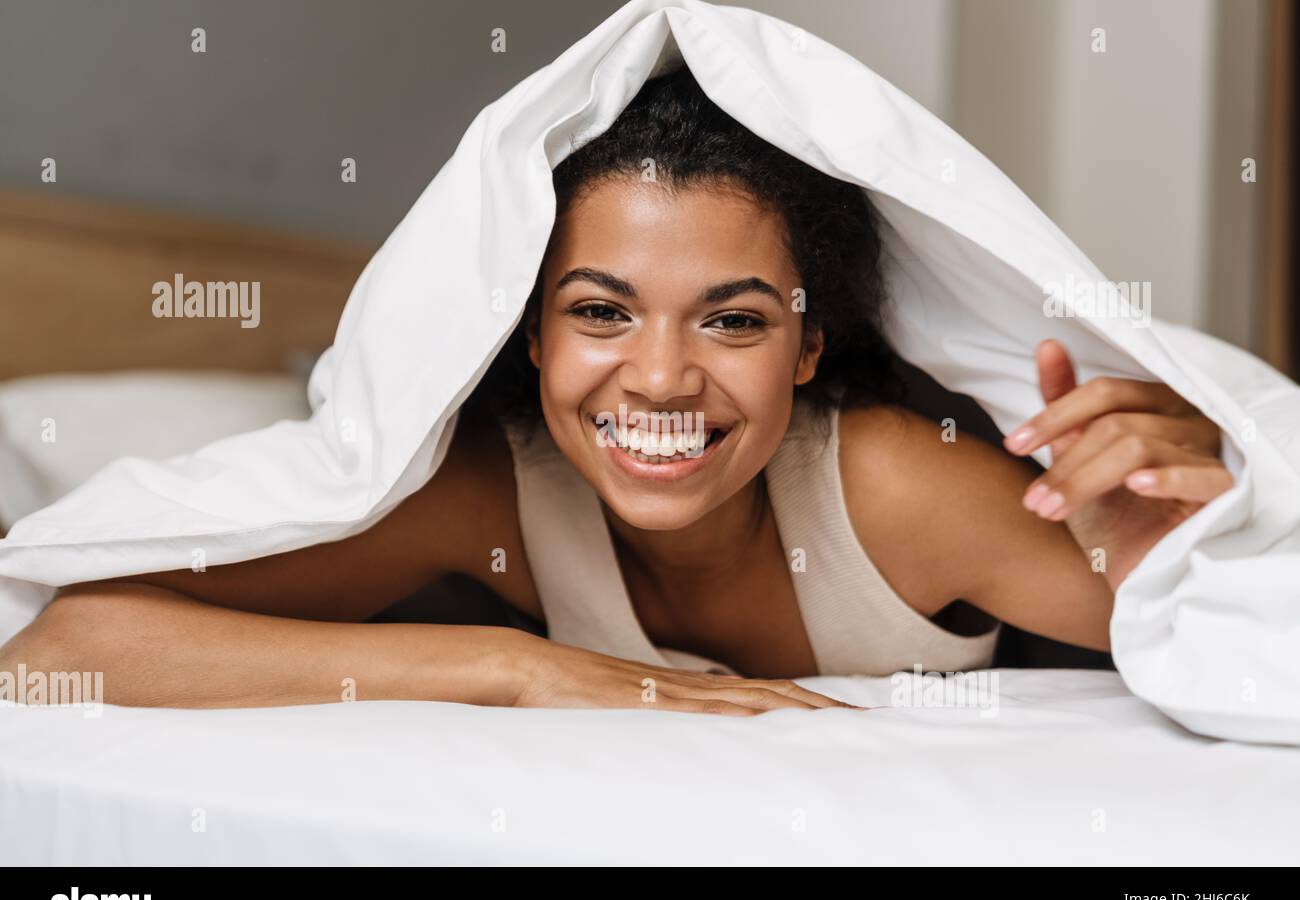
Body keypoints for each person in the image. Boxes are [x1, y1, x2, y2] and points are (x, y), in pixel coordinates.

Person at [0, 69, 1231, 715]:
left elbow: (1247, 636)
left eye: (733, 320)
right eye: (598, 311)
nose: (656, 377)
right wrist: (512, 669)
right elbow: (60, 647)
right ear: (526, 336)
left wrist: (1189, 552)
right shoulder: (491, 487)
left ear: (808, 350)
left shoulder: (901, 491)